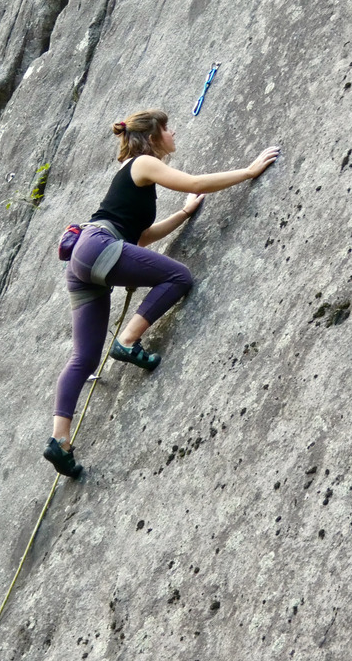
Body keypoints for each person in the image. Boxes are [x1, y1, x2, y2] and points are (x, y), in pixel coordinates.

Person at [43, 109, 279, 478]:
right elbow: (195, 182)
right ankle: (128, 340)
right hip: (99, 246)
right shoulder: (143, 164)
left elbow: (141, 237)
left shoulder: (132, 176)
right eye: (167, 128)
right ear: (153, 137)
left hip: (83, 260)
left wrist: (184, 215)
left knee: (83, 359)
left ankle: (60, 440)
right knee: (179, 277)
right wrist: (248, 172)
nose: (173, 133)